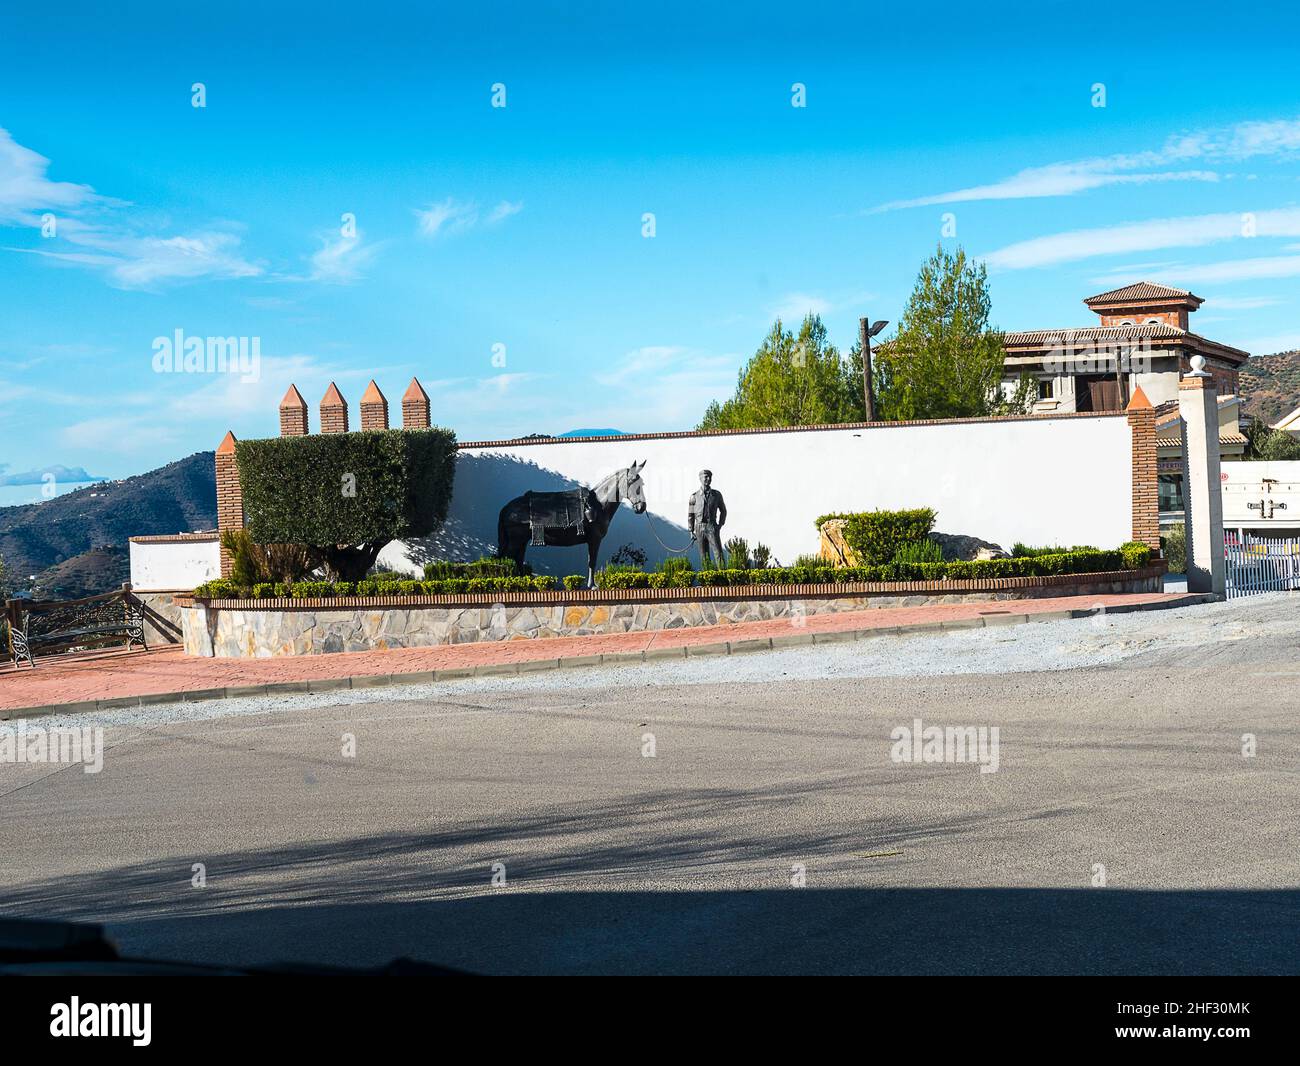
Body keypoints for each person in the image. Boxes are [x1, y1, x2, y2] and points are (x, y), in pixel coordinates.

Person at [687, 469, 727, 567]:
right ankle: (708, 578)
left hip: (711, 526)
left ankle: (723, 577)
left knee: (718, 553)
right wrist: (691, 531)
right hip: (699, 528)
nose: (708, 479)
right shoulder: (694, 496)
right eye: (706, 477)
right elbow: (690, 515)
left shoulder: (716, 495)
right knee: (703, 555)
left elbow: (723, 510)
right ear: (700, 478)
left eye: (710, 477)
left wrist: (720, 525)